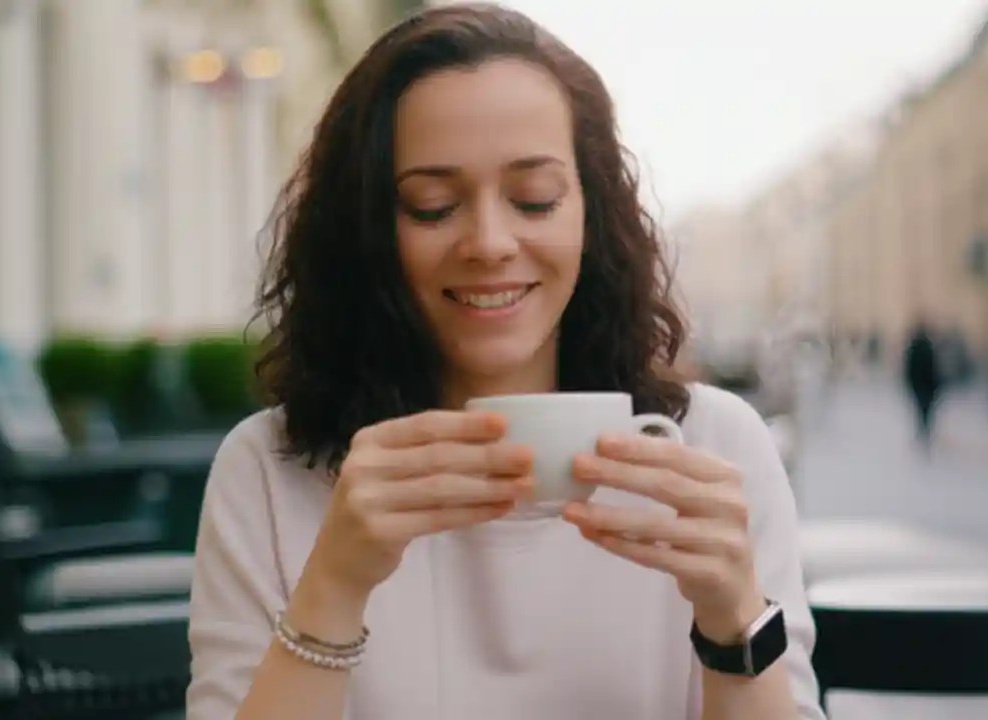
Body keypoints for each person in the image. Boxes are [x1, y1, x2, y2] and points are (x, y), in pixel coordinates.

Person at [186, 4, 823, 718]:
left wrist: (735, 621)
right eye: (431, 206)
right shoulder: (268, 475)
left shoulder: (714, 452)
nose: (489, 241)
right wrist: (333, 585)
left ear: (592, 211)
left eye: (534, 199)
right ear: (364, 230)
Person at [902, 320, 943, 451]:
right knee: (925, 410)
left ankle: (923, 432)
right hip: (926, 386)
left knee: (921, 410)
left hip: (920, 385)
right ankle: (925, 432)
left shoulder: (914, 349)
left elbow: (910, 368)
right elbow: (934, 368)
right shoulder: (929, 348)